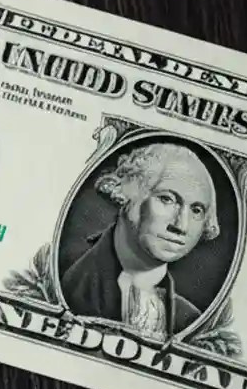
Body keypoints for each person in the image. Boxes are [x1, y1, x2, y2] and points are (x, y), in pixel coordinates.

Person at [61, 142, 219, 339]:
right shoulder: (67, 281)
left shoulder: (188, 319)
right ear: (128, 195)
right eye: (167, 199)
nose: (181, 226)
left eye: (196, 210)